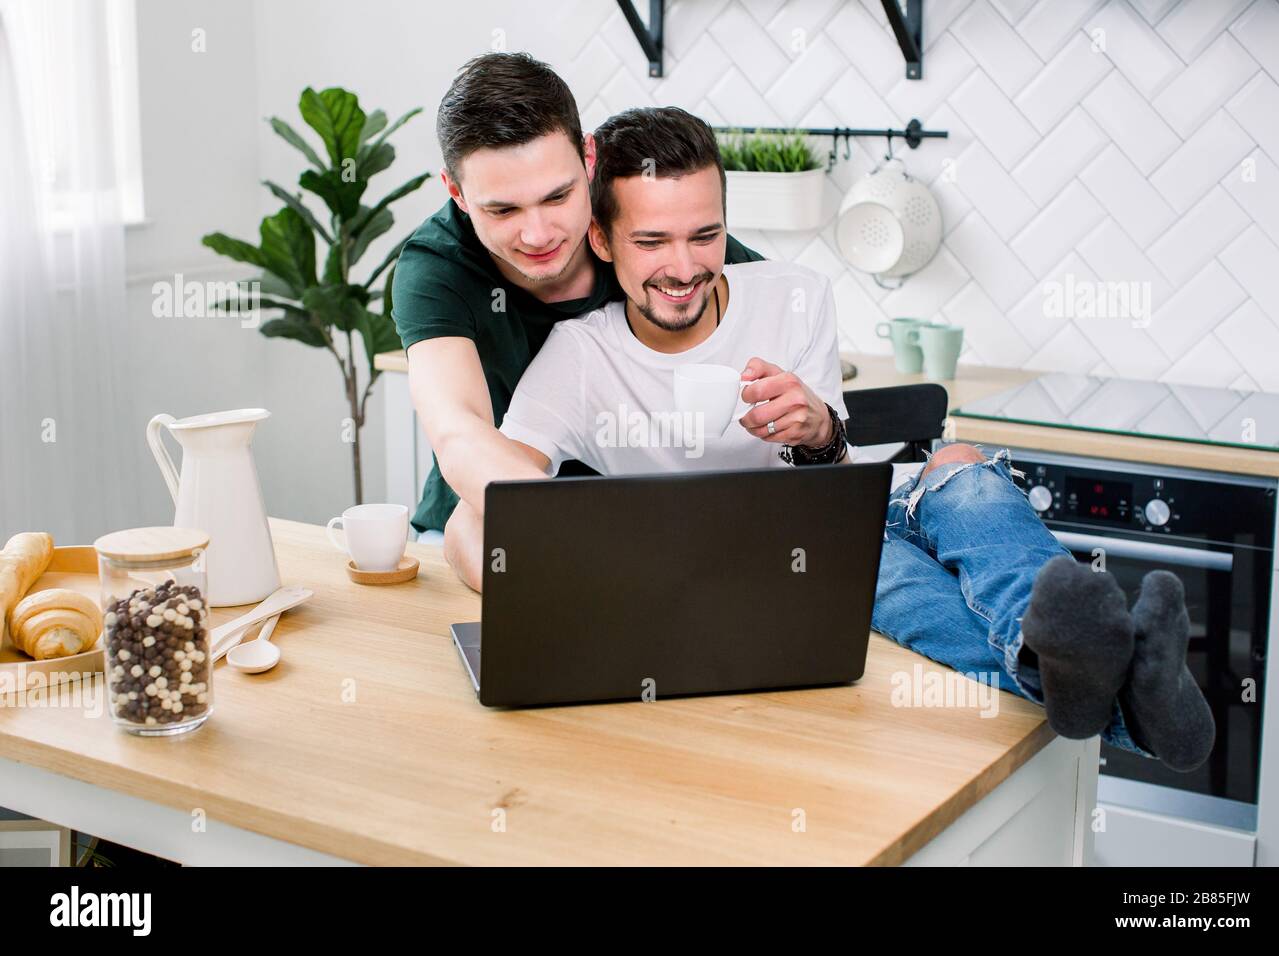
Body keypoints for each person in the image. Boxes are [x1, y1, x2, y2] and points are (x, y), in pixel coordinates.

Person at [469, 104, 1217, 774]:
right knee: (907, 598)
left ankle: (1070, 657)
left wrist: (819, 427)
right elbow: (498, 501)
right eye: (653, 241)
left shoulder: (795, 295)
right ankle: (1138, 708)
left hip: (849, 508)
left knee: (966, 468)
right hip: (788, 563)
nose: (684, 267)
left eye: (706, 236)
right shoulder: (578, 357)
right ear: (601, 238)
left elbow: (832, 470)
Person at [391, 52, 762, 560]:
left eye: (559, 196)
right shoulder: (436, 268)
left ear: (588, 159)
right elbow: (458, 430)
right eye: (503, 210)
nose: (538, 233)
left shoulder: (641, 218)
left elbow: (765, 315)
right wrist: (583, 542)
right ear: (456, 191)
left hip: (652, 530)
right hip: (486, 526)